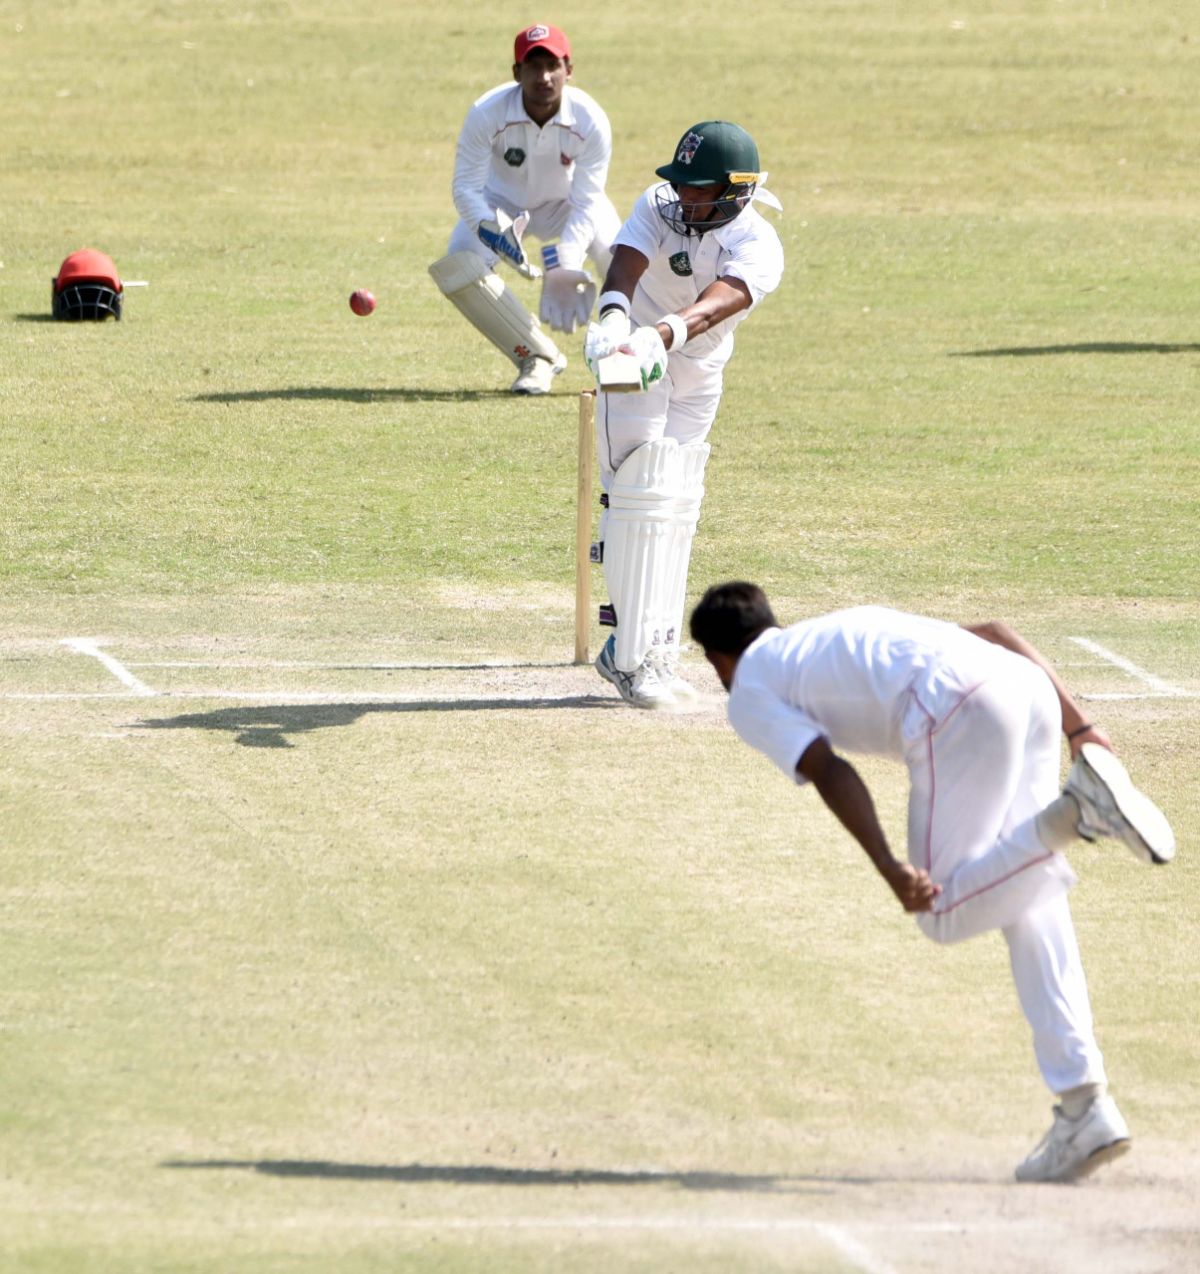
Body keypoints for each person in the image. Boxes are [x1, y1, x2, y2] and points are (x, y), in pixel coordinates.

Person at [689, 580, 1177, 1183]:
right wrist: (1081, 730)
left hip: (957, 709)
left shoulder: (750, 689)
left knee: (941, 911)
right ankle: (1085, 1106)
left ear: (718, 660)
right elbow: (997, 634)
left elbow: (828, 769)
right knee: (1028, 896)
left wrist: (892, 868)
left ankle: (1076, 816)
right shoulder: (833, 631)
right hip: (1026, 688)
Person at [581, 120, 784, 709]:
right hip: (633, 361)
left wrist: (661, 335)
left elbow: (718, 303)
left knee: (677, 500)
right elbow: (624, 267)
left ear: (736, 190)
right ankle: (628, 657)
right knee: (636, 494)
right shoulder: (657, 204)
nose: (684, 198)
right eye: (682, 185)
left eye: (700, 189)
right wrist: (617, 321)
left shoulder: (759, 245)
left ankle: (656, 648)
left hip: (695, 366)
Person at [428, 23, 620, 396]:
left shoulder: (590, 118)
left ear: (569, 69)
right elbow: (466, 186)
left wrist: (566, 261)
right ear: (516, 72)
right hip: (501, 203)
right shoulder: (487, 112)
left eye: (553, 65)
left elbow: (587, 200)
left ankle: (626, 359)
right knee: (459, 266)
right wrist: (492, 228)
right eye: (532, 66)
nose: (544, 77)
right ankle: (537, 358)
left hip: (567, 204)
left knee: (621, 257)